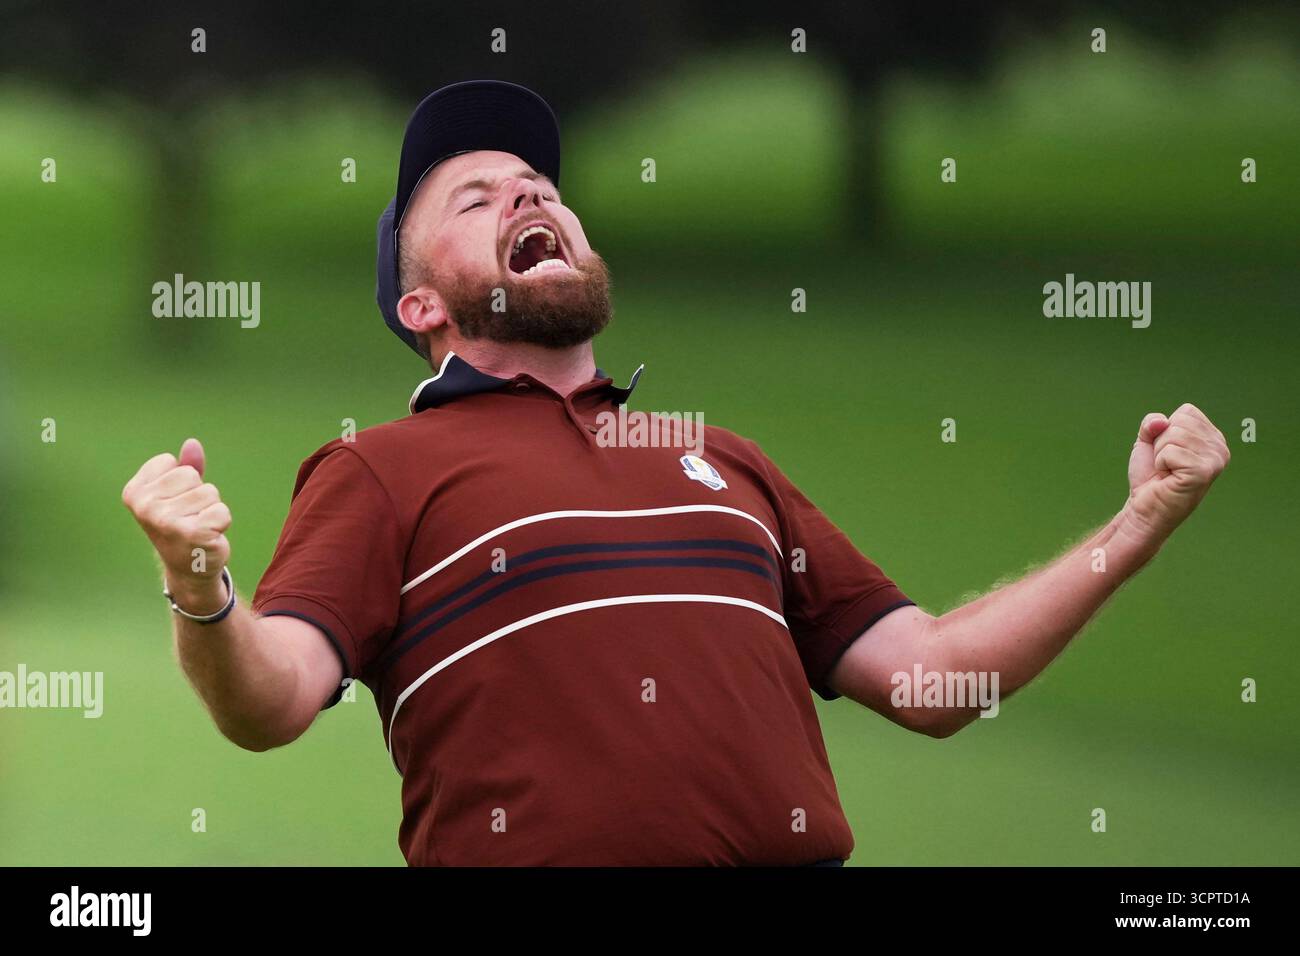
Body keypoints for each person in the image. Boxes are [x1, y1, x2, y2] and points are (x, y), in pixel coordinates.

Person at [121, 80, 1230, 866]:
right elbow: (270, 702)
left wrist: (1131, 529)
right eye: (477, 198)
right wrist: (202, 586)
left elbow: (931, 677)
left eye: (539, 185)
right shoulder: (380, 468)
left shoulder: (722, 457)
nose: (528, 196)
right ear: (422, 307)